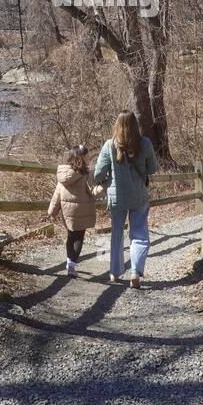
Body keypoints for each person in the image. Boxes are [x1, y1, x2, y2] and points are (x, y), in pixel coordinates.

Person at [93, 110, 158, 288]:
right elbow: (152, 169)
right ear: (135, 125)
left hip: (117, 198)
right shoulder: (145, 143)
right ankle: (135, 272)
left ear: (117, 125)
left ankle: (115, 272)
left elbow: (98, 173)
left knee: (116, 234)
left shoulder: (109, 145)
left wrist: (105, 180)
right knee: (139, 235)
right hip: (138, 196)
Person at [47, 145, 98, 277]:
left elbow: (57, 193)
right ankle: (72, 265)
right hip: (82, 210)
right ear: (81, 158)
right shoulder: (85, 174)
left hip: (67, 212)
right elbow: (93, 192)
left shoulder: (64, 174)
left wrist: (52, 211)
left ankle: (70, 263)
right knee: (79, 238)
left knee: (71, 236)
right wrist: (103, 186)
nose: (89, 158)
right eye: (87, 156)